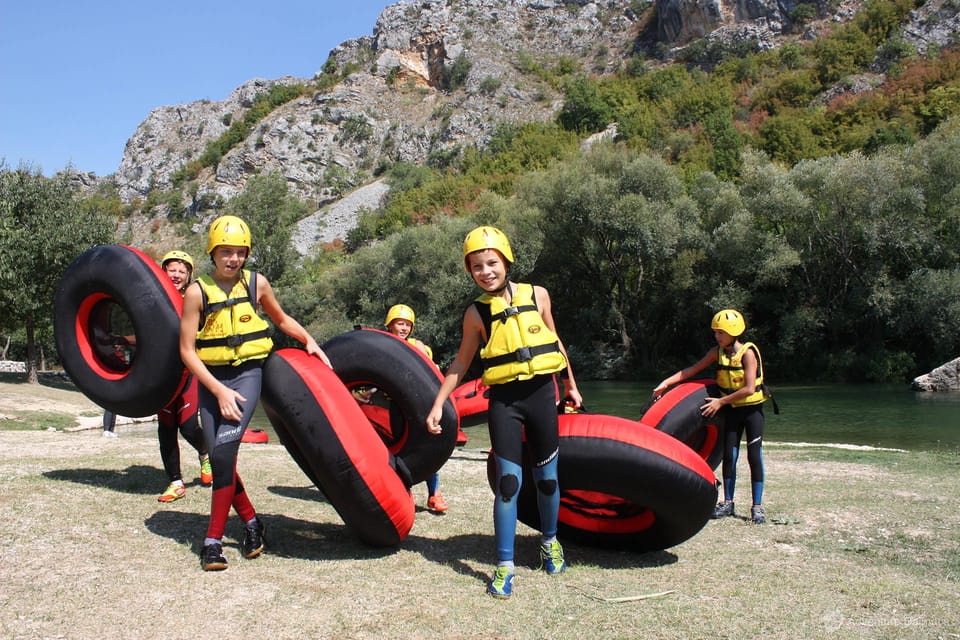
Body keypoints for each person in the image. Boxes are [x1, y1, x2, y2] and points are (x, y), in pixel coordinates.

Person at [426, 226, 582, 599]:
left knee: (547, 479)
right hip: (505, 402)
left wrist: (571, 385)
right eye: (477, 266)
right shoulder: (475, 313)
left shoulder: (538, 295)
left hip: (542, 394)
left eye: (492, 263)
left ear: (506, 261)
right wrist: (438, 403)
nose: (486, 271)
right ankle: (505, 565)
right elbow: (461, 364)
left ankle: (550, 542)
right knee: (509, 484)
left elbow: (555, 343)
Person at [179, 215, 331, 571]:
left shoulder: (256, 283)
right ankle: (251, 522)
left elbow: (281, 319)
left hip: (247, 375)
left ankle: (212, 542)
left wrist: (308, 340)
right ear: (213, 252)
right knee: (221, 459)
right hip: (212, 381)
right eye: (226, 252)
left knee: (224, 452)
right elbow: (187, 351)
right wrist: (217, 390)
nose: (233, 259)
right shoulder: (196, 292)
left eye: (240, 252)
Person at [653, 309, 769, 525]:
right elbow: (692, 370)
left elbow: (749, 388)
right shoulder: (717, 352)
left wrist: (720, 402)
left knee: (754, 456)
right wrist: (666, 383)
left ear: (733, 332)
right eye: (715, 332)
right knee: (729, 456)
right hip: (732, 412)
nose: (717, 336)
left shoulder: (748, 354)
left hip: (752, 412)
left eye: (721, 332)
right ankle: (728, 503)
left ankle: (757, 507)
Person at [155, 250, 212, 503]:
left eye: (182, 271)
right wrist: (123, 340)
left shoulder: (194, 299)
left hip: (190, 372)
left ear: (188, 276)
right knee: (166, 428)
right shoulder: (153, 301)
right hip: (163, 375)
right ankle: (176, 482)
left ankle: (205, 452)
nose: (176, 275)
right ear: (163, 272)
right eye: (172, 270)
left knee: (188, 427)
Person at [384, 303, 448, 514]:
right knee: (398, 450)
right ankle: (402, 495)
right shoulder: (381, 345)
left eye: (407, 325)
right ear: (390, 325)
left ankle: (434, 494)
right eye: (399, 324)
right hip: (396, 406)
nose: (404, 328)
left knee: (428, 449)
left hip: (419, 405)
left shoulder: (418, 345)